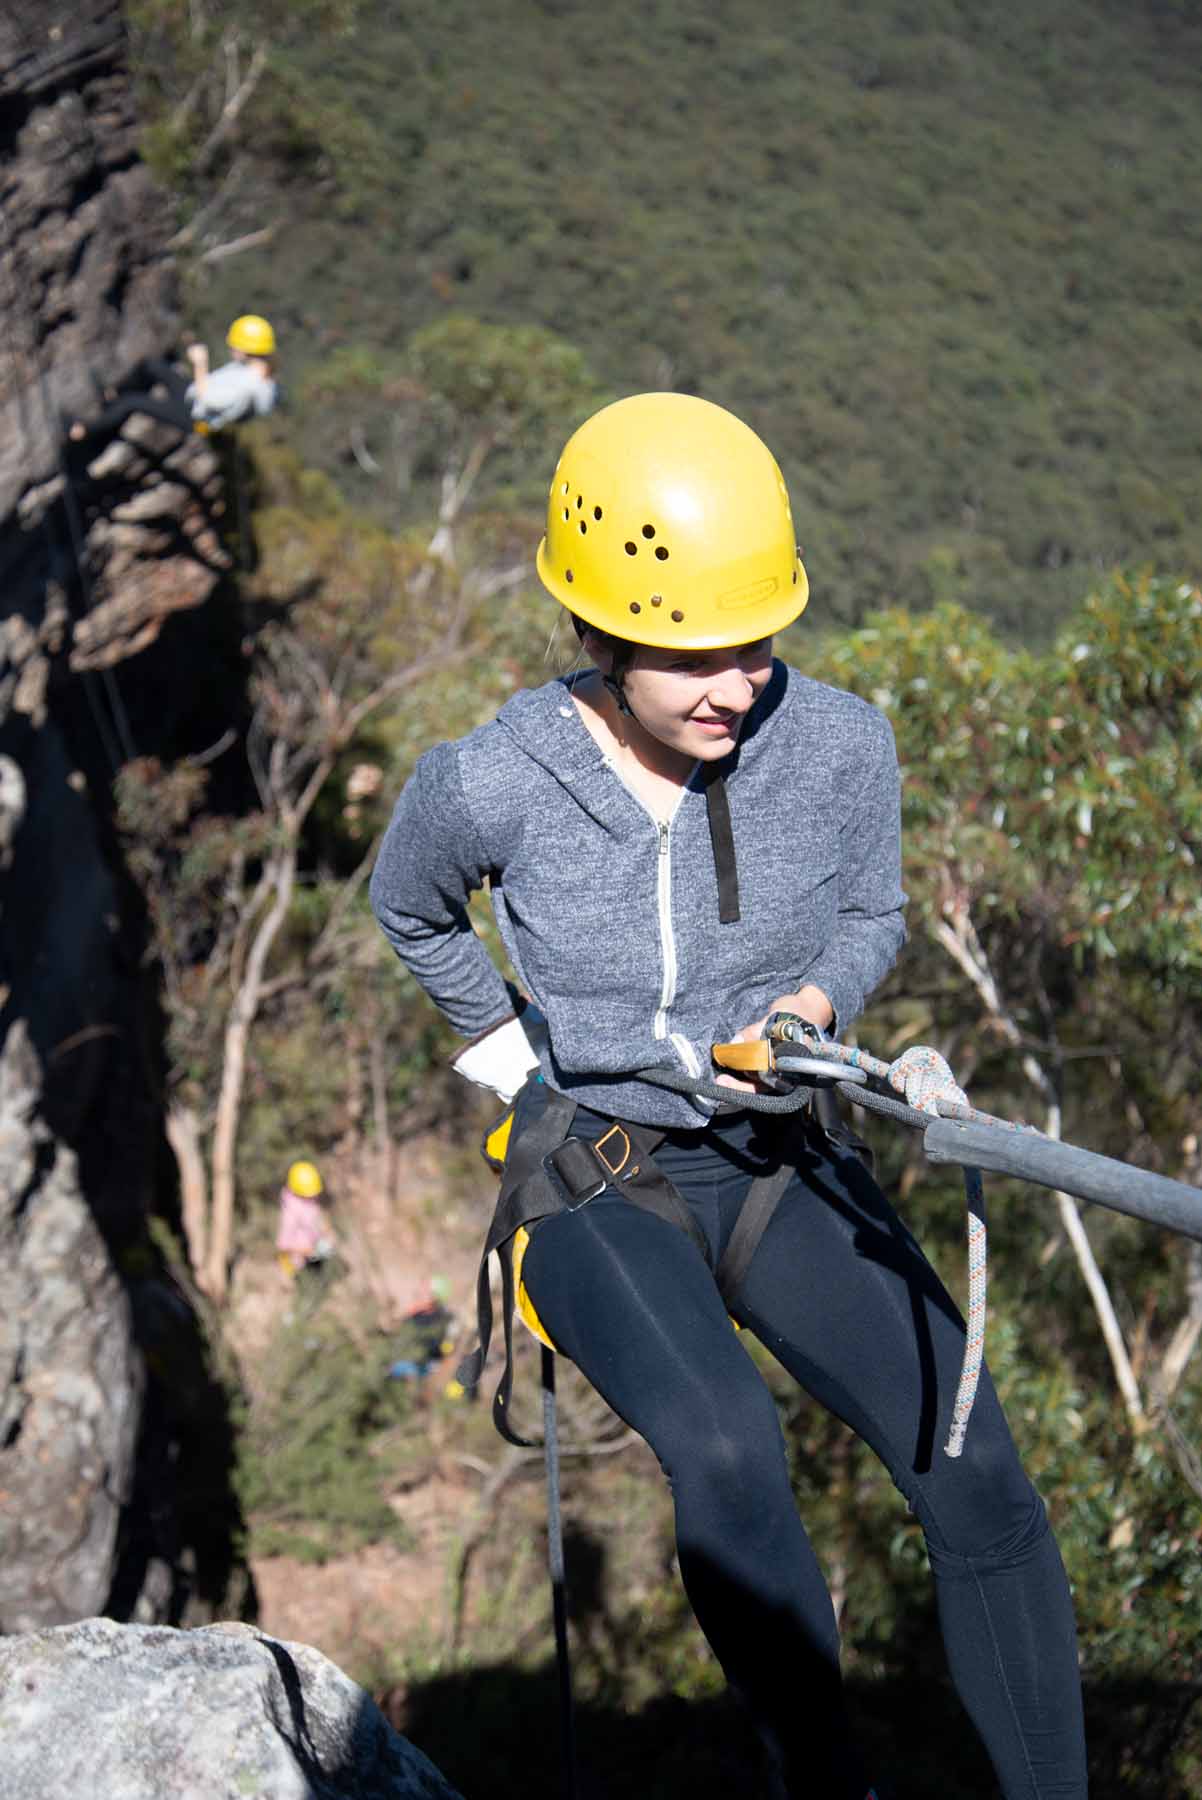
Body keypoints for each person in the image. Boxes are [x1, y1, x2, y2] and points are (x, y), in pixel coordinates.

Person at [369, 393, 1087, 1799]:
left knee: (977, 1473)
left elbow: (870, 914)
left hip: (779, 1155)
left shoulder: (837, 746)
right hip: (597, 1168)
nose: (736, 685)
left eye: (755, 645)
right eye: (693, 655)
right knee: (723, 1450)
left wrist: (810, 1008)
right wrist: (515, 1063)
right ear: (598, 635)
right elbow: (413, 909)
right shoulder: (493, 782)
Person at [67, 314, 278, 452]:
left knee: (133, 403)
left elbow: (208, 399)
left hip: (193, 415)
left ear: (248, 348)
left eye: (235, 345)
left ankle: (82, 430)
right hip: (192, 394)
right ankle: (112, 396)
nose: (231, 348)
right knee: (152, 366)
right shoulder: (251, 371)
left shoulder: (248, 387)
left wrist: (200, 363)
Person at [275, 1157, 335, 1283]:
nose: (313, 1197)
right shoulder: (290, 1213)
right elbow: (283, 1244)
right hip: (297, 1262)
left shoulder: (310, 1202)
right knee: (309, 1283)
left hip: (313, 1249)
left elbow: (316, 1217)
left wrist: (326, 1232)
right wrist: (306, 1251)